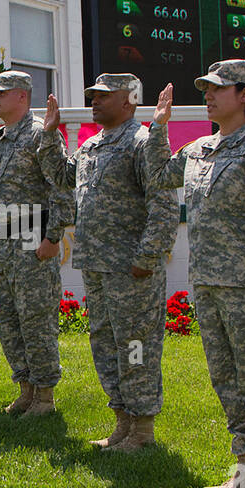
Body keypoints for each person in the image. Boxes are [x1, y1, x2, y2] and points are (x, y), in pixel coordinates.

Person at [145, 61, 245, 488]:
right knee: (227, 380)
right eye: (205, 89)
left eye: (217, 89)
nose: (208, 96)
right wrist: (159, 129)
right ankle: (244, 470)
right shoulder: (200, 149)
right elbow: (158, 177)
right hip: (210, 286)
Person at [38, 74, 179, 452]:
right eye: (92, 96)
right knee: (106, 343)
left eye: (104, 96)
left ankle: (143, 429)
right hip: (97, 266)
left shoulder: (142, 143)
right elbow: (63, 178)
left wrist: (147, 257)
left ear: (129, 101)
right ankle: (123, 423)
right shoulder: (92, 145)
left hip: (131, 269)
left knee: (135, 345)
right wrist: (51, 135)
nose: (94, 101)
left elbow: (163, 205)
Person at [0, 71, 73, 418]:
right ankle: (26, 389)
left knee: (36, 320)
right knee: (8, 319)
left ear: (22, 96)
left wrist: (54, 237)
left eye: (1, 93)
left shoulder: (41, 135)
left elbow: (61, 187)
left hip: (30, 243)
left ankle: (45, 397)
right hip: (0, 244)